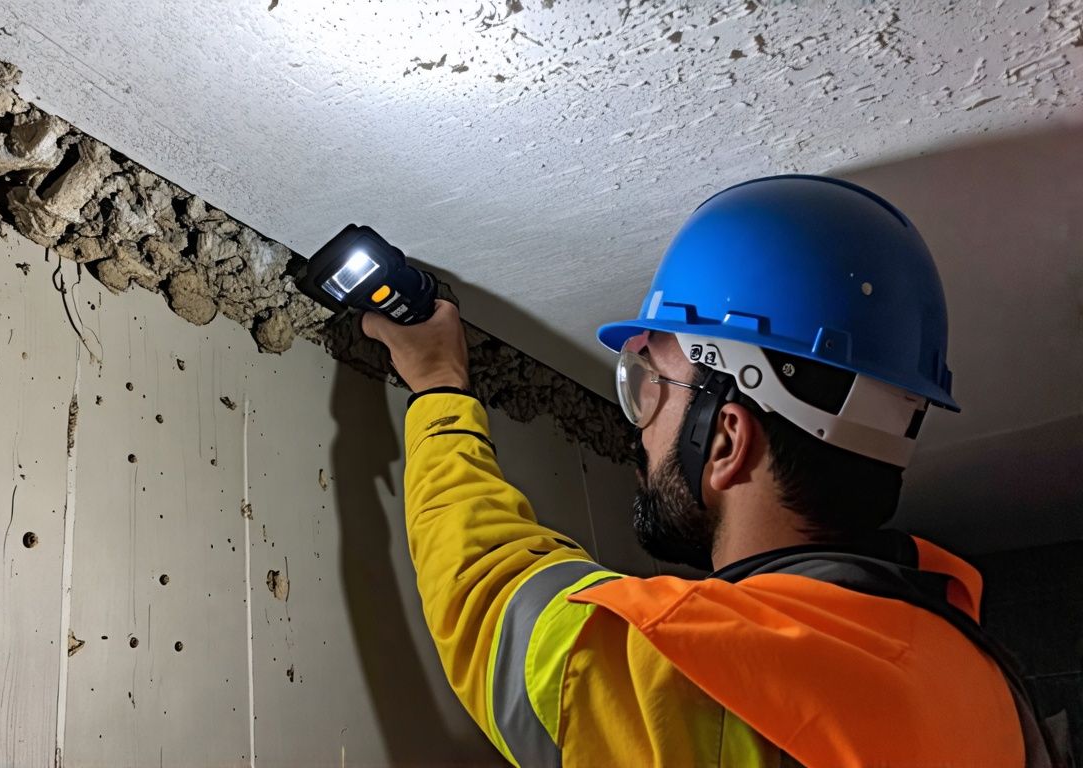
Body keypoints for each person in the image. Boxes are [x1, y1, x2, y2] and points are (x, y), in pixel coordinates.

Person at [360, 175, 1054, 767]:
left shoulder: (704, 673)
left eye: (649, 385)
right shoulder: (975, 676)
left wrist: (438, 385)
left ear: (726, 440)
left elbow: (491, 592)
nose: (638, 427)